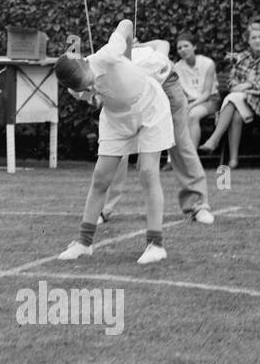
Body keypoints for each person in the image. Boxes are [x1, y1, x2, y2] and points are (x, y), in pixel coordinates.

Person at [54, 19, 174, 265]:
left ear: (85, 61)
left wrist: (127, 56)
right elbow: (94, 95)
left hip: (150, 108)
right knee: (100, 178)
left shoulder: (108, 53)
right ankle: (84, 243)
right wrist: (91, 93)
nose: (89, 87)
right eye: (84, 88)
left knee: (148, 172)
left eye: (88, 82)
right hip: (116, 119)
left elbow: (127, 24)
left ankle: (156, 244)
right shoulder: (75, 87)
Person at [99, 36, 215, 226]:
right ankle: (102, 209)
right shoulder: (105, 67)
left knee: (180, 142)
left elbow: (164, 44)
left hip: (167, 87)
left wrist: (139, 45)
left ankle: (198, 206)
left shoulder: (150, 57)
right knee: (114, 147)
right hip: (130, 93)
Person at [199, 22, 260, 168]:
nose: (257, 40)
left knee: (233, 99)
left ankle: (215, 140)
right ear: (249, 41)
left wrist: (249, 85)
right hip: (242, 100)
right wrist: (240, 87)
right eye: (254, 38)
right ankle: (233, 160)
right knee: (236, 113)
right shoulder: (242, 57)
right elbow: (232, 81)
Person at [171, 32, 219, 148]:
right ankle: (172, 159)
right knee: (173, 117)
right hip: (189, 102)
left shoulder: (208, 63)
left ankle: (192, 159)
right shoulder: (177, 67)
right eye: (179, 48)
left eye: (186, 46)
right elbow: (181, 93)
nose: (183, 50)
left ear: (194, 47)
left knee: (192, 115)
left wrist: (190, 106)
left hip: (210, 100)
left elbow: (207, 93)